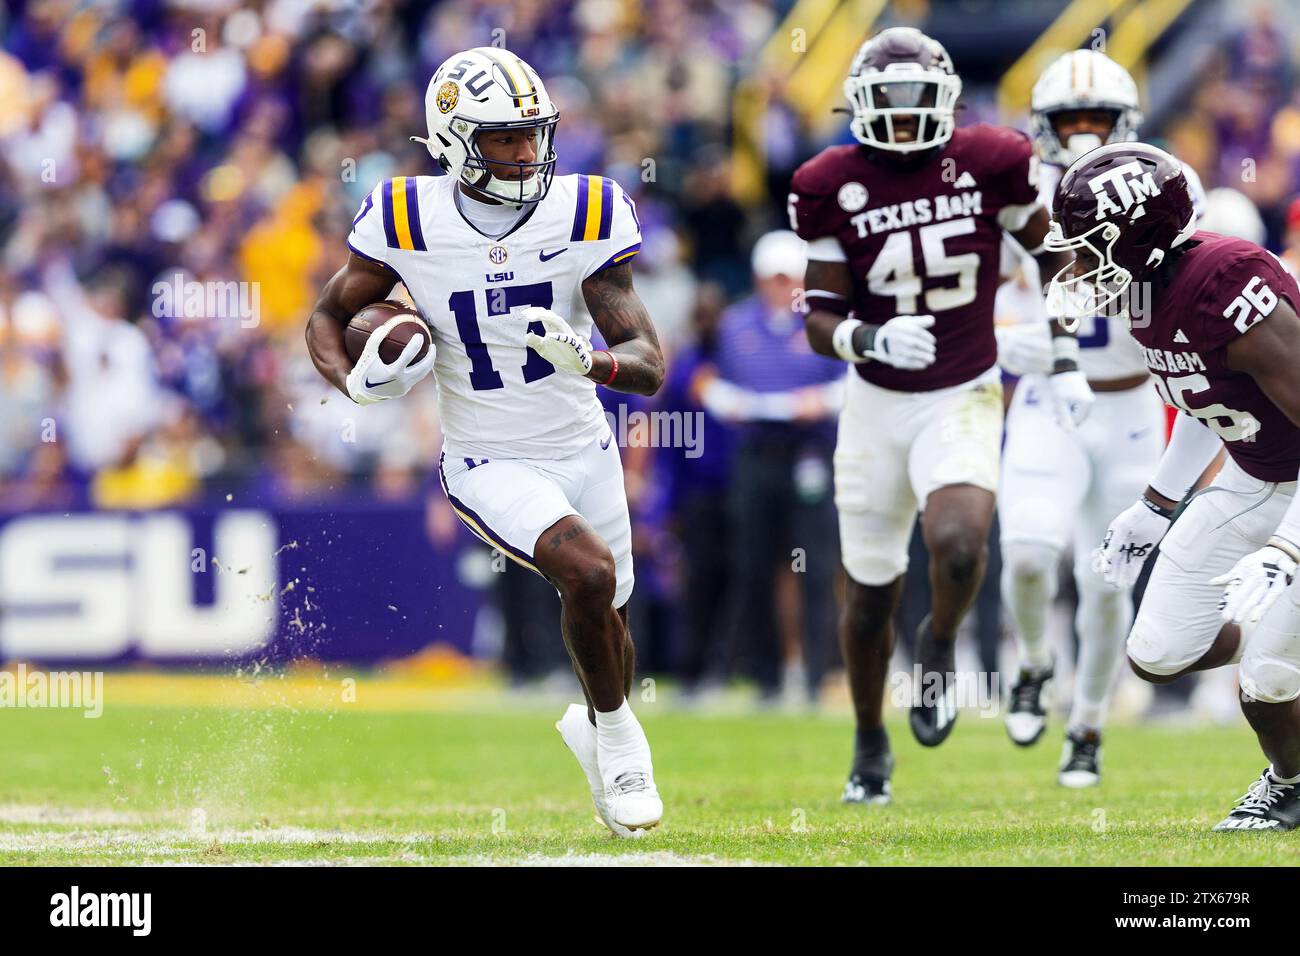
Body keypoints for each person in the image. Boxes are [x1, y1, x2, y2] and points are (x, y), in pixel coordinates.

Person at [304, 47, 665, 837]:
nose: (526, 153)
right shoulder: (406, 215)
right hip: (487, 457)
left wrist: (593, 359)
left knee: (611, 618)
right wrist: (354, 384)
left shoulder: (587, 209)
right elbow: (327, 317)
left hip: (584, 444)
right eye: (503, 139)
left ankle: (598, 731)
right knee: (589, 572)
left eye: (533, 135)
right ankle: (621, 739)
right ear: (453, 138)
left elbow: (649, 366)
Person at [788, 26, 1089, 804]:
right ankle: (867, 742)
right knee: (869, 593)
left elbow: (1055, 259)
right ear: (858, 104)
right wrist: (869, 333)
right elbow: (818, 319)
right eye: (883, 105)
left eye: (913, 102)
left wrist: (1060, 354)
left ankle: (940, 644)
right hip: (876, 403)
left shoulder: (992, 161)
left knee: (957, 545)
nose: (898, 119)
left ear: (945, 101)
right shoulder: (830, 181)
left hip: (963, 388)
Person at [1057, 142, 1300, 830]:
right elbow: (1202, 396)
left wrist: (1287, 550)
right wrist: (1156, 506)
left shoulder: (1225, 284)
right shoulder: (1145, 291)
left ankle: (1289, 784)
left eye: (1085, 247)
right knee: (1158, 653)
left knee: (1269, 682)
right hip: (1255, 476)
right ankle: (1276, 638)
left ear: (1136, 238)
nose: (1074, 266)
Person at [994, 49, 1206, 786]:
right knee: (1025, 552)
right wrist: (1009, 338)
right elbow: (974, 298)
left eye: (1096, 121)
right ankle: (1031, 662)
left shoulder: (1170, 189)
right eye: (1068, 122)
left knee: (1108, 580)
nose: (1083, 135)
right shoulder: (1018, 195)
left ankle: (1086, 724)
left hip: (1132, 404)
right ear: (1043, 126)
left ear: (1127, 125)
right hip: (1051, 400)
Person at [696, 230, 844, 706]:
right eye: (774, 279)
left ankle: (818, 675)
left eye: (789, 279)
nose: (782, 288)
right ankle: (767, 678)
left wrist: (820, 401)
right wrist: (728, 402)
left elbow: (851, 380)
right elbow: (709, 381)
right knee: (755, 566)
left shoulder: (822, 321)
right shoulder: (737, 325)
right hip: (756, 454)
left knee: (817, 568)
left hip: (810, 455)